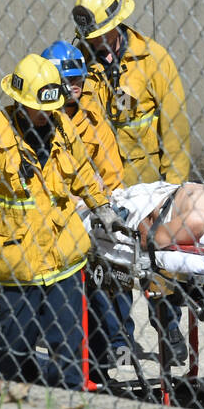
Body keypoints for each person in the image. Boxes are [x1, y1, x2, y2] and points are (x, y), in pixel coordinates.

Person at [0, 54, 122, 389]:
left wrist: (101, 205)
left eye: (52, 107)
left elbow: (81, 172)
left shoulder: (62, 126)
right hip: (15, 267)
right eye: (40, 109)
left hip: (63, 263)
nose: (48, 115)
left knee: (69, 351)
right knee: (14, 352)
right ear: (20, 103)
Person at [72, 0, 190, 364]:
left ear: (117, 25)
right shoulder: (79, 61)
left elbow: (174, 130)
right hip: (103, 185)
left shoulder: (154, 61)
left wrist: (171, 193)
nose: (95, 42)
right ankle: (117, 339)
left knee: (158, 260)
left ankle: (168, 326)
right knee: (109, 264)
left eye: (101, 35)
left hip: (149, 185)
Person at [41, 40, 134, 381]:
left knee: (114, 269)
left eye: (79, 78)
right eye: (68, 79)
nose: (75, 86)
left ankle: (119, 343)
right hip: (54, 218)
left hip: (93, 214)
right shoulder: (37, 122)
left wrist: (95, 200)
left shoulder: (94, 124)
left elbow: (111, 179)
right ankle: (97, 352)